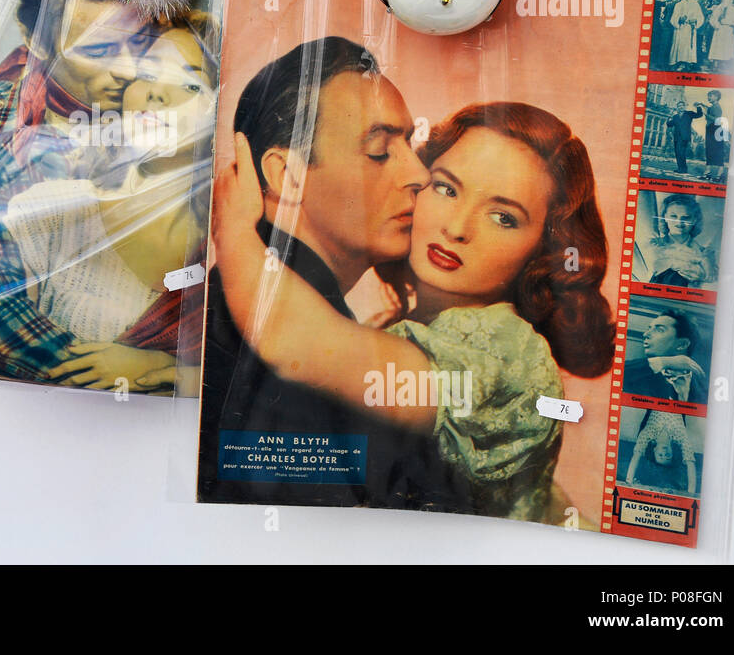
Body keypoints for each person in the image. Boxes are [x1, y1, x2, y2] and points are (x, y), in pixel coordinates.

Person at [211, 100, 617, 521]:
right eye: (445, 188)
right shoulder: (405, 328)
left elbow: (292, 344)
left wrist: (236, 230)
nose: (456, 228)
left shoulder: (509, 352)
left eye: (503, 217)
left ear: (544, 251)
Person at [198, 37, 473, 512]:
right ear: (286, 176)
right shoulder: (272, 341)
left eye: (410, 145)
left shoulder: (274, 307)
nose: (419, 174)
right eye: (380, 151)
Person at [0, 0, 171, 383]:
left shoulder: (173, 111)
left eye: (137, 42)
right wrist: (135, 375)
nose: (126, 68)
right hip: (18, 394)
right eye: (98, 51)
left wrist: (181, 371)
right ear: (35, 40)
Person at [6, 21, 217, 393]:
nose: (156, 94)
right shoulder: (51, 212)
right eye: (146, 74)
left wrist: (174, 371)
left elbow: (276, 388)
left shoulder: (239, 248)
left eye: (190, 84)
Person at [623, 309, 707, 405]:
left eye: (659, 330)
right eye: (649, 328)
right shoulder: (635, 373)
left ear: (682, 344)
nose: (645, 334)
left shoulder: (702, 388)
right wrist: (665, 362)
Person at [636, 194, 716, 288]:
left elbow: (712, 278)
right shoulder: (654, 244)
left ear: (694, 220)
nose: (679, 222)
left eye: (686, 217)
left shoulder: (705, 253)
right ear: (665, 217)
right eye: (673, 216)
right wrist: (701, 261)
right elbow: (657, 263)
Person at [626, 409, 697, 495]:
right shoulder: (680, 437)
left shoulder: (647, 435)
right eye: (667, 455)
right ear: (672, 452)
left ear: (654, 450)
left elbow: (636, 456)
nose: (664, 452)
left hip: (657, 402)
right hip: (677, 405)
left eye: (660, 455)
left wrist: (629, 481)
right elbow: (690, 463)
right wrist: (691, 493)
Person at [666, 0, 701, 71]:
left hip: (690, 29)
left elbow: (700, 17)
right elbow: (673, 19)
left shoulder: (696, 4)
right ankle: (677, 62)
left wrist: (696, 20)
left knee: (689, 47)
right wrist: (679, 20)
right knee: (679, 45)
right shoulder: (679, 4)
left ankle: (687, 63)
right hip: (681, 29)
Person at [706, 0, 734, 72]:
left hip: (729, 31)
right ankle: (714, 64)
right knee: (718, 48)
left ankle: (722, 64)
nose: (731, 0)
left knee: (726, 48)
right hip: (720, 30)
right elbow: (713, 18)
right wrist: (717, 26)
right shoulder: (720, 7)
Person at [667, 100, 702, 175]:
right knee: (677, 153)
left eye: (682, 105)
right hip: (676, 137)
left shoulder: (689, 113)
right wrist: (669, 117)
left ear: (684, 106)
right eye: (679, 106)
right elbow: (669, 124)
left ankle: (683, 169)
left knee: (681, 152)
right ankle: (680, 168)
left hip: (684, 137)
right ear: (677, 108)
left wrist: (698, 107)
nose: (681, 107)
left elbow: (699, 115)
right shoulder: (675, 117)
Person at [701, 90, 727, 183]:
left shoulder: (717, 107)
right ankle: (707, 173)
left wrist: (705, 114)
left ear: (716, 97)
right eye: (708, 96)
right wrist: (702, 105)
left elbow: (717, 119)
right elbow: (710, 110)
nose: (709, 98)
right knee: (709, 150)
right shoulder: (713, 107)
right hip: (711, 129)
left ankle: (719, 175)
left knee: (718, 152)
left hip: (715, 130)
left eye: (710, 96)